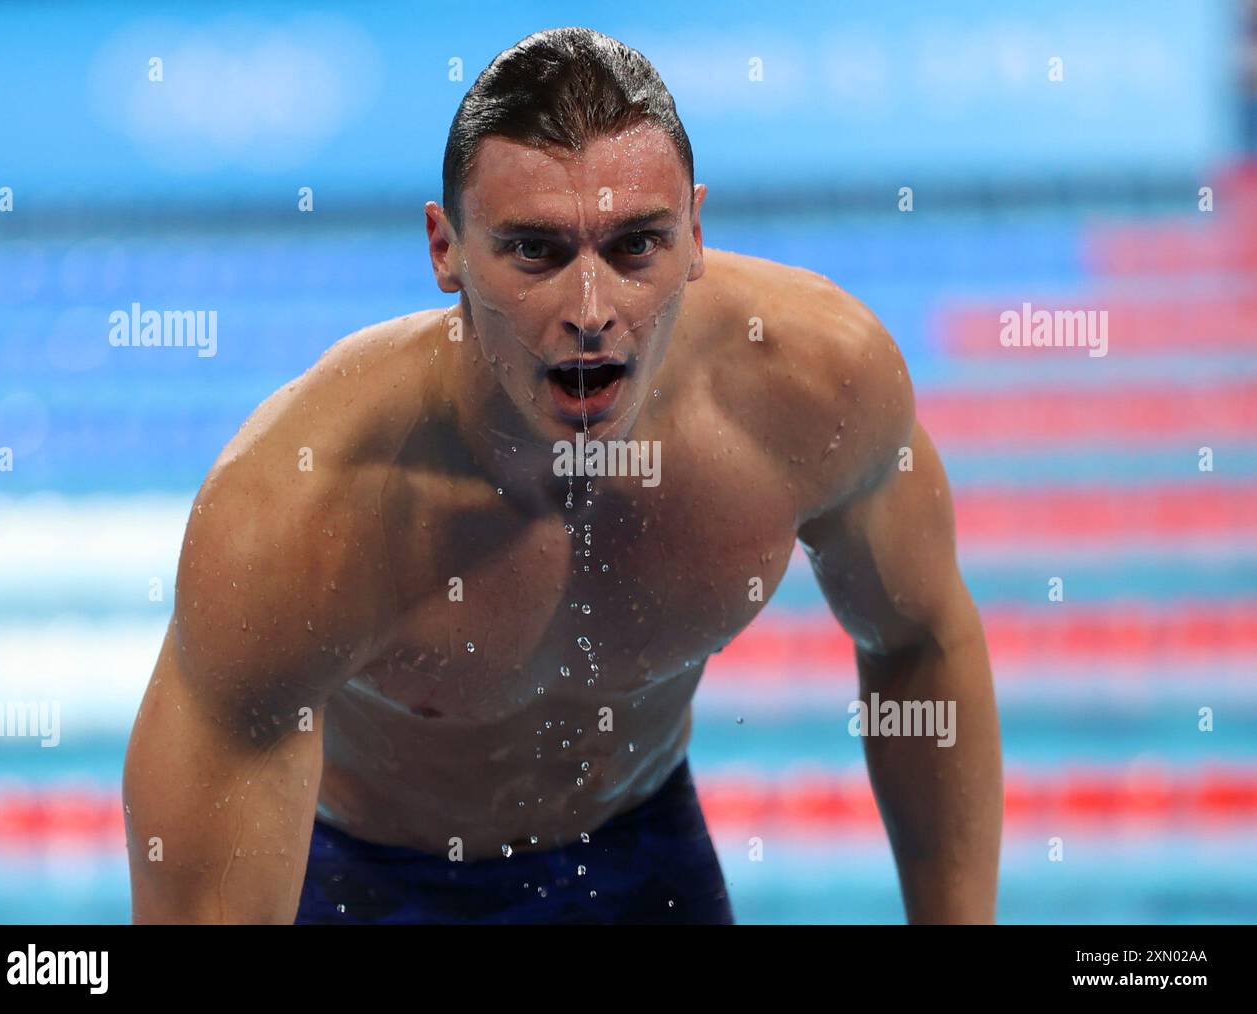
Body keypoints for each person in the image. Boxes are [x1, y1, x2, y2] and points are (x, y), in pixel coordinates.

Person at [123, 26, 1002, 924]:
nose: (591, 312)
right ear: (446, 248)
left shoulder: (816, 388)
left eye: (634, 248)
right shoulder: (301, 511)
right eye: (536, 252)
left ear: (694, 234)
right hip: (360, 883)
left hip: (642, 860)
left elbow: (918, 639)